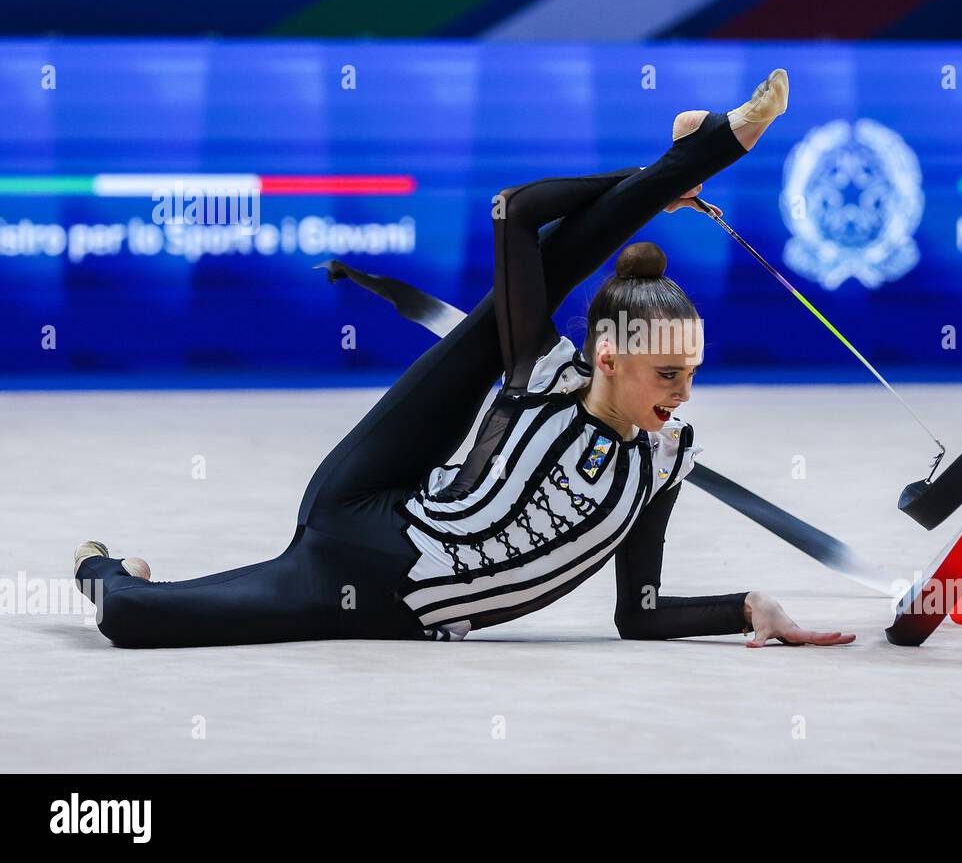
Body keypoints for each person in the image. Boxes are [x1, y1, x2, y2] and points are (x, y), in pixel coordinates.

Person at [74, 68, 856, 650]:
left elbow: (638, 614)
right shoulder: (545, 374)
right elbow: (514, 213)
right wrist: (652, 184)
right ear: (609, 356)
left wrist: (750, 605)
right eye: (669, 374)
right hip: (353, 533)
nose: (684, 395)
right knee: (128, 616)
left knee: (142, 615)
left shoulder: (665, 460)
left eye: (692, 373)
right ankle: (701, 153)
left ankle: (686, 159)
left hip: (387, 600)